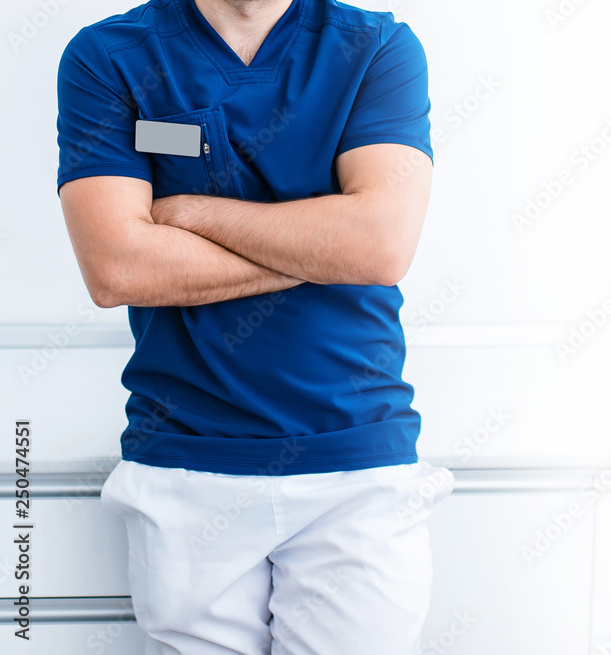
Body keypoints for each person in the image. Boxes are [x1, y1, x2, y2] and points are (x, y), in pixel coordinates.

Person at [55, 0, 453, 652]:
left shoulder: (375, 49)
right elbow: (117, 267)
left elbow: (379, 246)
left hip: (354, 469)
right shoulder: (108, 57)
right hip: (186, 465)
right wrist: (322, 245)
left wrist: (188, 213)